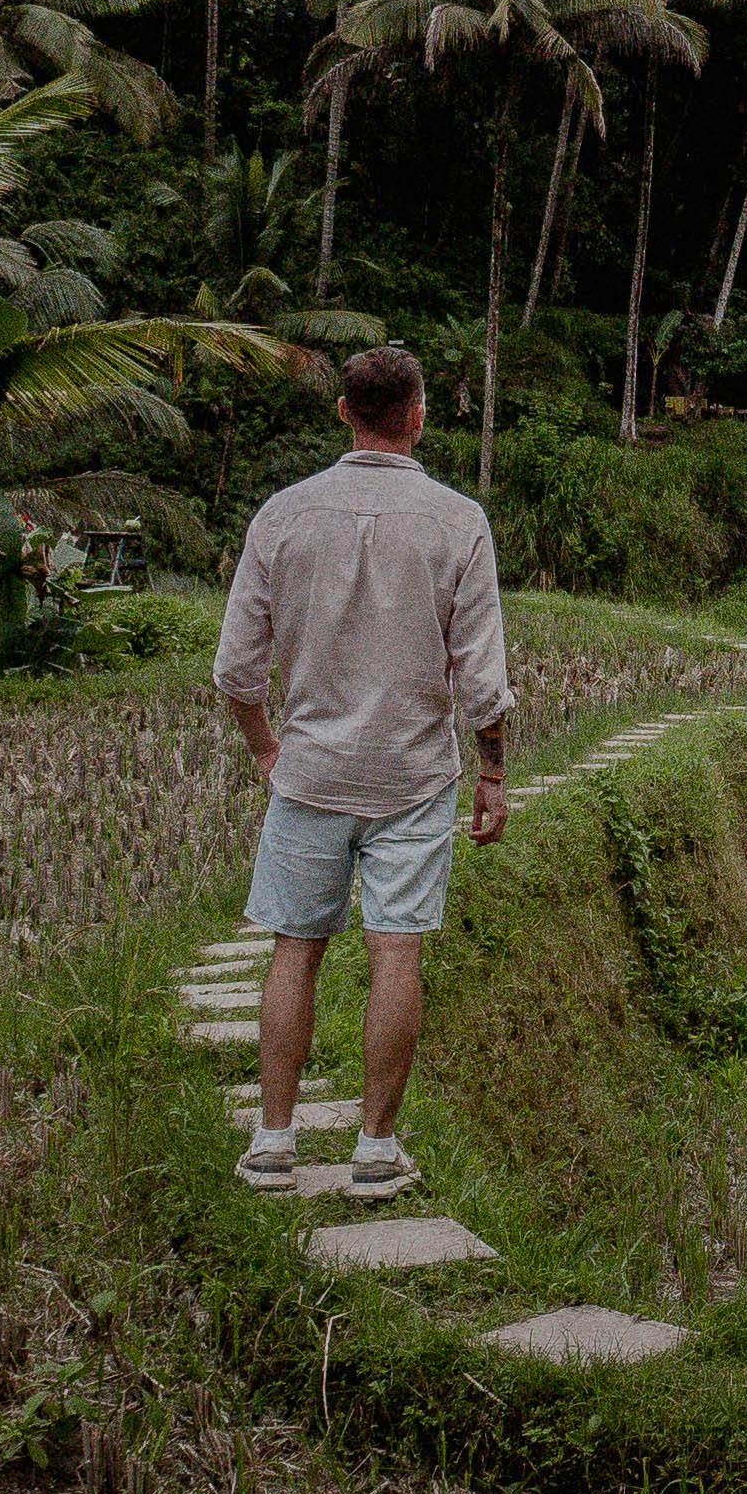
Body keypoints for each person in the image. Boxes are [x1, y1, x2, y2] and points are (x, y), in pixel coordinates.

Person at [210, 343, 512, 1197]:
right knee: (395, 952)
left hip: (309, 773)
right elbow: (482, 680)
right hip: (412, 778)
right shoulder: (458, 523)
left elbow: (235, 670)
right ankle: (375, 1151)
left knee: (294, 948)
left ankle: (273, 1141)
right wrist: (492, 776)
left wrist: (267, 749)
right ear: (417, 416)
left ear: (343, 411)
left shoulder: (282, 516)